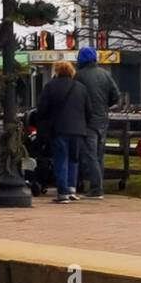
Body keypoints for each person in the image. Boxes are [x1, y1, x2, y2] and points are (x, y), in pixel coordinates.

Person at [33, 60, 93, 203]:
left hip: (59, 129)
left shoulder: (50, 87)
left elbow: (42, 109)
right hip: (78, 130)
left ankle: (62, 192)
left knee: (61, 159)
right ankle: (72, 188)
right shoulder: (81, 88)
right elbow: (89, 110)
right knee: (74, 159)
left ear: (57, 71)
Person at [75, 46, 119, 198]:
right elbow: (116, 96)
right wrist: (104, 105)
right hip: (102, 119)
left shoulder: (78, 76)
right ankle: (98, 186)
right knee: (99, 154)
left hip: (87, 120)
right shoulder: (105, 74)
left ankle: (96, 188)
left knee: (90, 155)